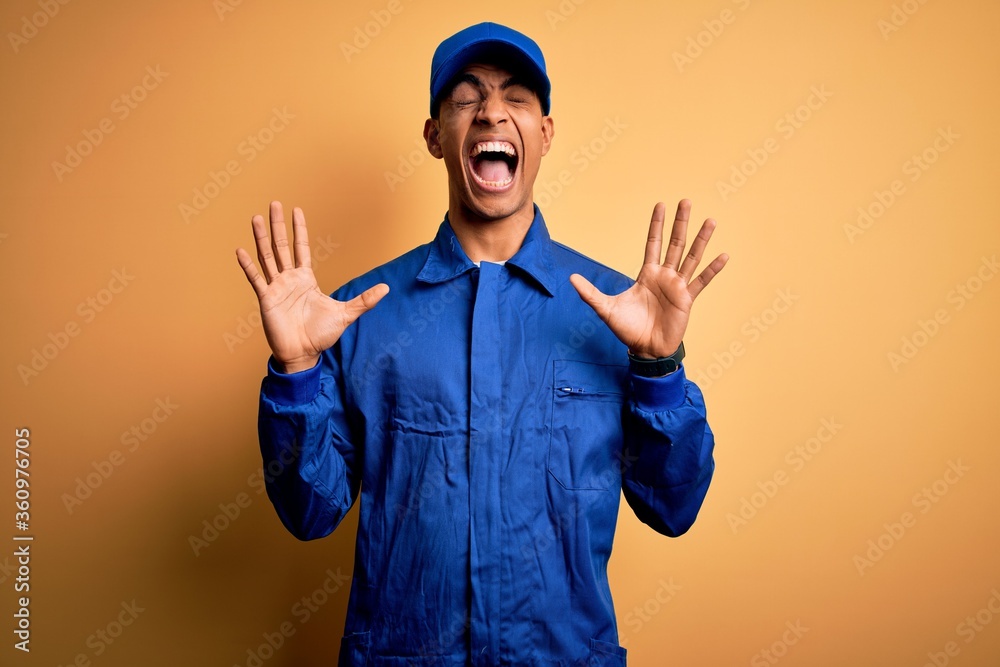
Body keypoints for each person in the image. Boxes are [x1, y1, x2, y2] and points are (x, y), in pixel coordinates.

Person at [235, 21, 728, 667]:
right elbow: (309, 510)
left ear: (545, 134)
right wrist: (297, 368)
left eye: (517, 96)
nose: (492, 110)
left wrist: (658, 367)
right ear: (436, 135)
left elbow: (674, 505)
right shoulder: (358, 313)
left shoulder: (615, 313)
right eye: (466, 97)